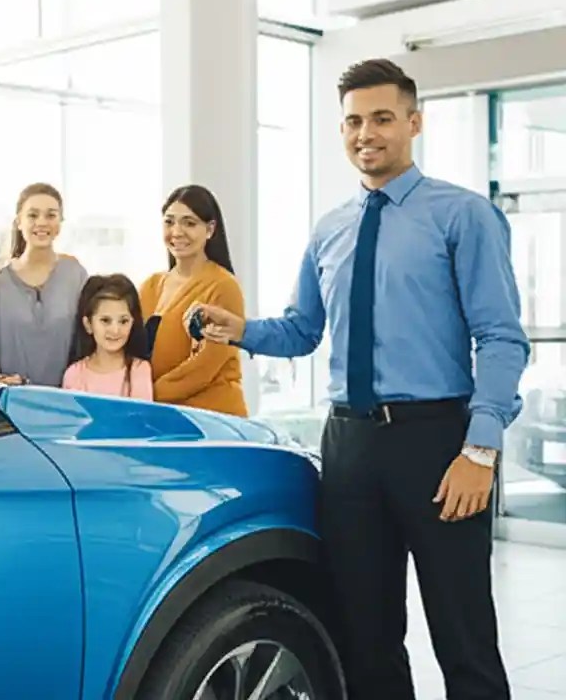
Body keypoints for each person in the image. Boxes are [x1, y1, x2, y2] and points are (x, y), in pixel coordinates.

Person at [192, 58, 528, 700]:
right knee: (365, 638)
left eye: (381, 118)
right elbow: (300, 330)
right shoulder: (330, 229)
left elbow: (501, 338)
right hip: (348, 449)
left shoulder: (462, 216)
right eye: (352, 121)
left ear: (413, 122)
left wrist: (479, 450)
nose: (365, 132)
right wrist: (239, 329)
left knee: (464, 638)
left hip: (437, 443)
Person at [137, 185, 247, 416]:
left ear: (210, 229)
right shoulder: (150, 286)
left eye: (189, 223)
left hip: (212, 420)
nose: (176, 231)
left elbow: (204, 367)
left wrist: (144, 394)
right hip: (164, 417)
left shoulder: (223, 286)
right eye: (169, 222)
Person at [0, 183, 88, 387]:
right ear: (19, 222)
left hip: (67, 399)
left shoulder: (76, 275)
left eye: (51, 215)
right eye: (32, 215)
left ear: (60, 221)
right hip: (11, 402)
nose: (42, 222)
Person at [62, 274, 153, 400]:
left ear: (133, 322)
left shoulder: (139, 370)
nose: (115, 330)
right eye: (105, 320)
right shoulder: (74, 374)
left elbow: (140, 417)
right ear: (88, 324)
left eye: (123, 321)